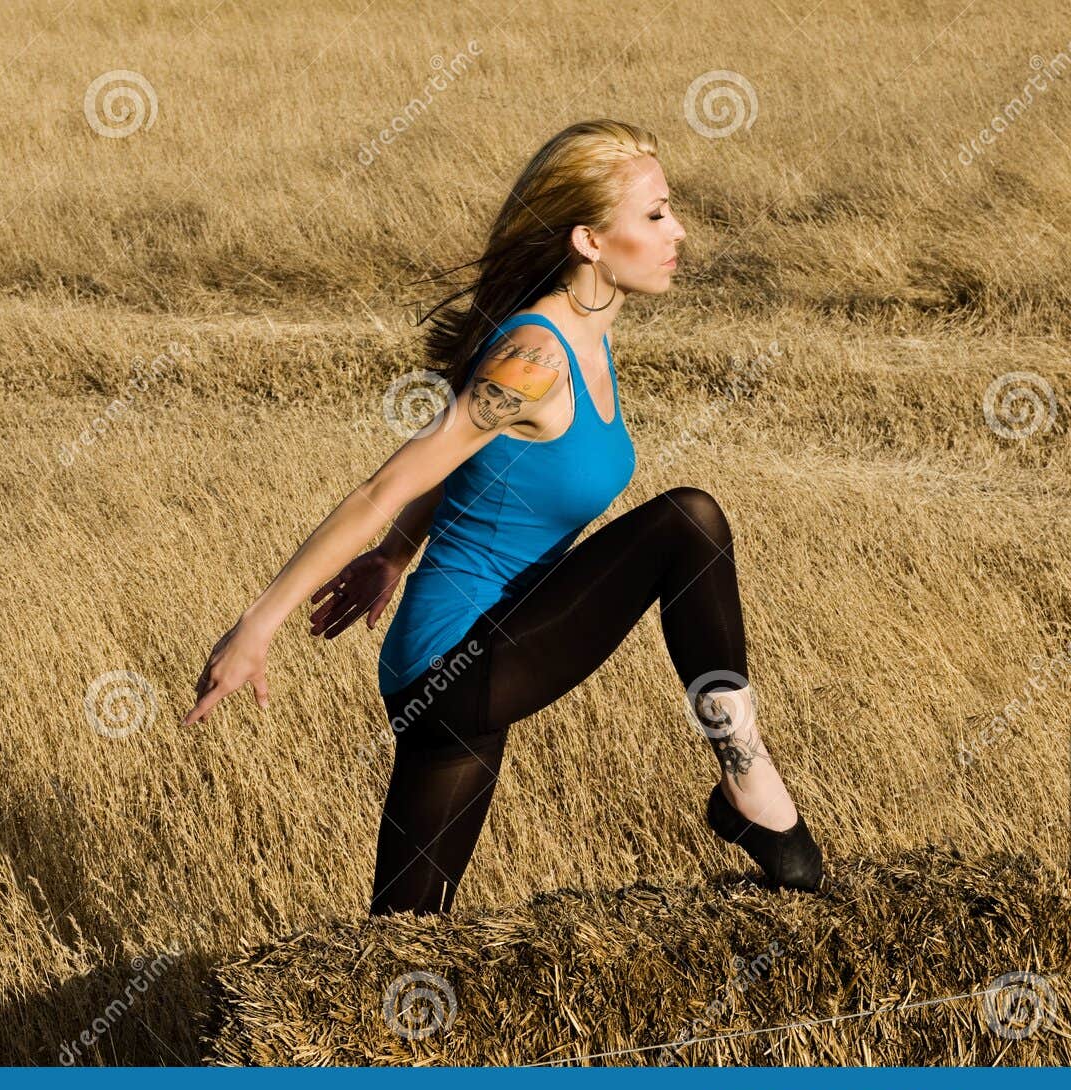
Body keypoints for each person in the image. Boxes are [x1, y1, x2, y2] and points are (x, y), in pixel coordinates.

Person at [181, 119, 823, 916]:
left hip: (485, 646)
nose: (678, 230)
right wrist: (258, 624)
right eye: (655, 214)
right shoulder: (538, 355)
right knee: (686, 525)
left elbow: (465, 468)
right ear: (591, 239)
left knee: (403, 937)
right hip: (456, 658)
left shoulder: (589, 331)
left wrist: (394, 554)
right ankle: (748, 782)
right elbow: (388, 481)